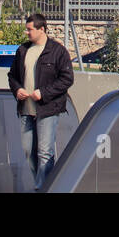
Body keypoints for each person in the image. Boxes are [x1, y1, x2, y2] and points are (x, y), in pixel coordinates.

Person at [7, 13, 75, 191]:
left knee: (45, 152)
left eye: (30, 29)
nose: (26, 32)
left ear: (41, 29)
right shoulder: (22, 50)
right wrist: (17, 90)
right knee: (29, 151)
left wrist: (43, 93)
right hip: (26, 109)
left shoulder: (57, 51)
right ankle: (44, 183)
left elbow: (67, 79)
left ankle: (42, 187)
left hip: (48, 109)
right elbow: (12, 76)